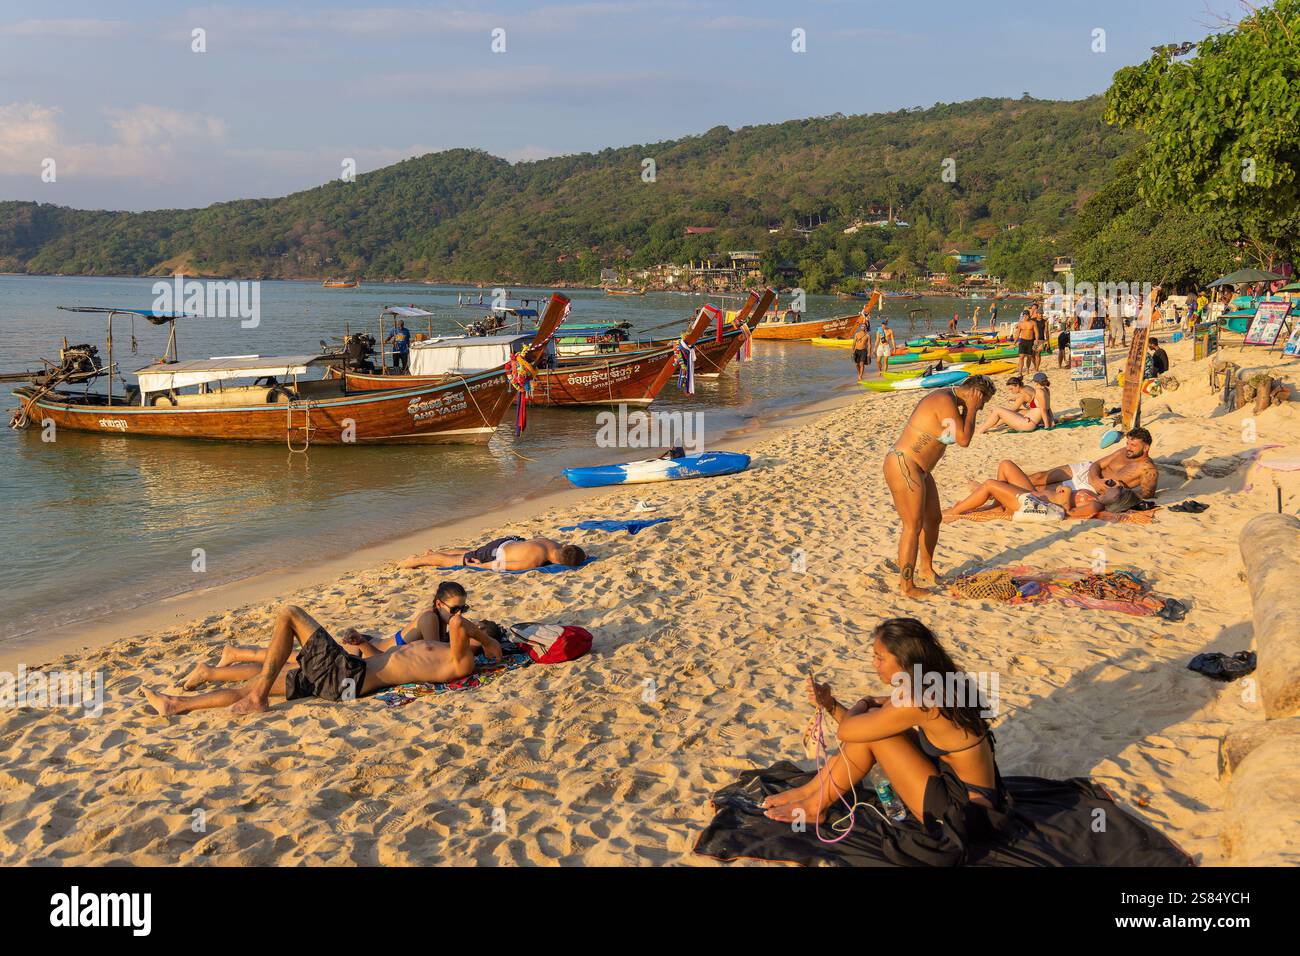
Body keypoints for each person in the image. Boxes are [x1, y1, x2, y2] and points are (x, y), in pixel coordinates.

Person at [762, 618, 1007, 841]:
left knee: (877, 736)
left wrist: (863, 701)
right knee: (875, 728)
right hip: (970, 789)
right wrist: (831, 704)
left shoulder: (917, 699)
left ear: (904, 660)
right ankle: (810, 793)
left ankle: (815, 806)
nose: (874, 664)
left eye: (880, 657)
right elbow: (862, 727)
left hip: (966, 814)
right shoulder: (937, 680)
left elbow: (848, 732)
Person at [142, 582, 503, 716]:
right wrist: (363, 644)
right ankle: (177, 704)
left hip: (348, 678)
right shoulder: (440, 651)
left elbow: (457, 625)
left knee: (289, 613)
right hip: (350, 674)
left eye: (475, 622)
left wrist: (487, 641)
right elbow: (387, 663)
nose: (466, 619)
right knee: (254, 682)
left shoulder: (461, 659)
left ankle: (257, 699)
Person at [883, 375, 996, 598]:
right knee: (912, 526)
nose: (981, 408)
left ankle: (926, 569)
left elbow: (956, 433)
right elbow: (963, 440)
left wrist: (968, 409)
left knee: (933, 519)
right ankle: (907, 586)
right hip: (904, 465)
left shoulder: (952, 402)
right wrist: (971, 409)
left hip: (921, 470)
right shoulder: (944, 400)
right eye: (983, 402)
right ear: (976, 395)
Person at [943, 458, 1134, 522]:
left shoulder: (1094, 506)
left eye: (1118, 490)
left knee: (990, 484)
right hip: (1035, 494)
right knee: (1005, 464)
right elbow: (1096, 466)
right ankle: (997, 504)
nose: (1116, 486)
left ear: (1115, 501)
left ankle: (953, 512)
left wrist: (1065, 497)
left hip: (1033, 502)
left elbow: (1068, 514)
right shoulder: (1094, 495)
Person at [1027, 427, 1159, 500]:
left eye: (1133, 445)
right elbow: (1097, 464)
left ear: (1146, 448)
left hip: (1090, 487)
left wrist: (1120, 492)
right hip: (1087, 469)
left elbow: (1147, 495)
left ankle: (1008, 491)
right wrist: (1095, 478)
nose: (1128, 448)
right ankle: (1007, 479)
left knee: (1041, 490)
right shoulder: (1124, 451)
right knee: (1039, 477)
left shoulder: (1147, 469)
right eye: (1128, 443)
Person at [399, 535, 586, 571]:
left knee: (472, 551)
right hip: (498, 553)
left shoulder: (552, 543)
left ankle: (432, 552)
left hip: (508, 541)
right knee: (462, 559)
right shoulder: (534, 561)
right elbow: (501, 565)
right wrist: (481, 566)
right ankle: (414, 561)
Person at [975, 374, 1053, 433]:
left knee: (997, 410)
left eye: (1011, 389)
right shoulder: (1045, 390)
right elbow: (1047, 408)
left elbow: (1043, 410)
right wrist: (1051, 421)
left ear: (1035, 382)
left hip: (1028, 424)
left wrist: (1047, 426)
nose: (1011, 391)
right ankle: (987, 426)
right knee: (1008, 412)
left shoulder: (1039, 392)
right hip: (1029, 420)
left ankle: (981, 430)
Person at [1014, 310, 1037, 375]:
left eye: (1026, 315)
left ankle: (1027, 369)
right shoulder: (1020, 323)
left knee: (1029, 357)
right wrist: (1015, 341)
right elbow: (1017, 333)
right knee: (1021, 357)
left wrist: (1037, 340)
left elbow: (1036, 332)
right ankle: (1020, 371)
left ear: (1029, 315)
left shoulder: (1033, 323)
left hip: (1030, 341)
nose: (1025, 317)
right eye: (1024, 315)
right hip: (1023, 341)